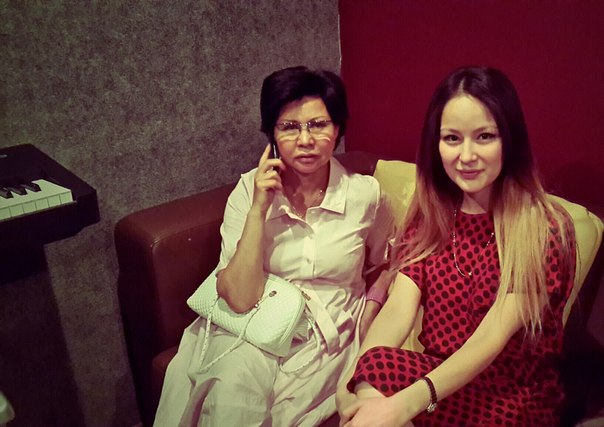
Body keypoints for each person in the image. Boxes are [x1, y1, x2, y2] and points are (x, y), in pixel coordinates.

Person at [336, 66, 577, 427]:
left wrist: (405, 405)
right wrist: (353, 379)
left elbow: (491, 337)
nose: (466, 155)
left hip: (513, 396)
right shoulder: (430, 216)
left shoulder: (543, 226)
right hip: (440, 379)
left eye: (484, 136)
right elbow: (397, 310)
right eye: (452, 138)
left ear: (509, 139)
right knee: (373, 368)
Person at [154, 66, 391, 427]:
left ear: (338, 129)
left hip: (324, 337)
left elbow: (387, 263)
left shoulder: (365, 196)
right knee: (230, 391)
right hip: (253, 325)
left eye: (318, 124)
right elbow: (239, 298)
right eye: (289, 127)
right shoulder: (249, 190)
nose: (305, 140)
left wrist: (370, 311)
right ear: (272, 135)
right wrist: (259, 209)